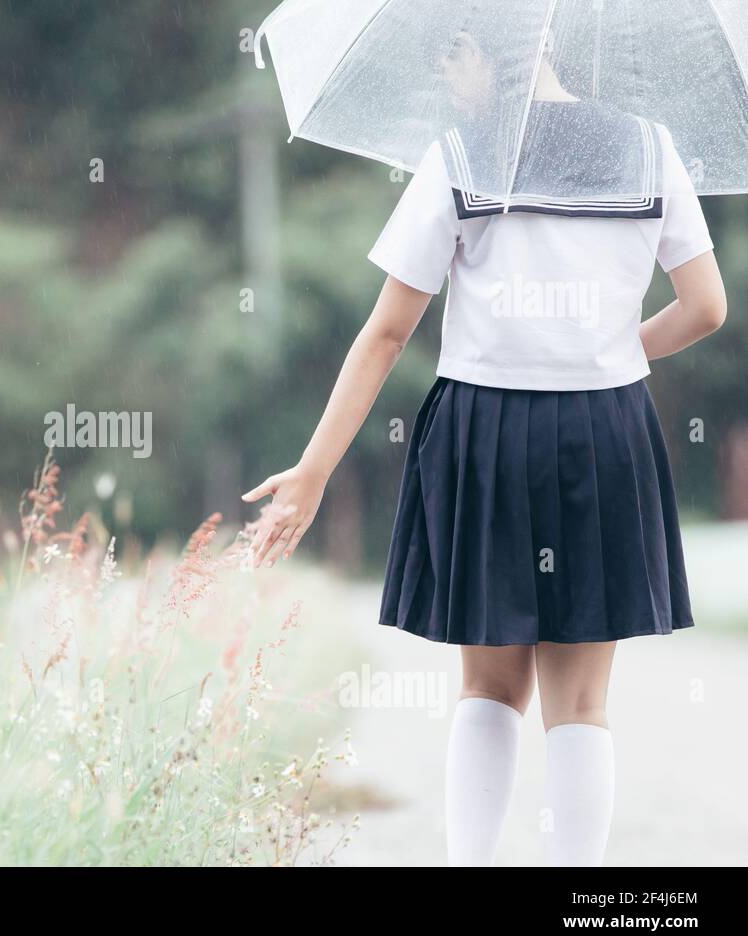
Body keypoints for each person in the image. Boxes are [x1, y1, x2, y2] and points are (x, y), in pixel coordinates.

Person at [242, 32, 727, 866]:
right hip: (602, 429)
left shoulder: (462, 156)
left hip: (487, 434)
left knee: (489, 686)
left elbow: (390, 332)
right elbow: (707, 306)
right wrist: (603, 347)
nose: (444, 69)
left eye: (453, 50)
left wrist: (314, 471)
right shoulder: (653, 150)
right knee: (580, 701)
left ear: (498, 49)